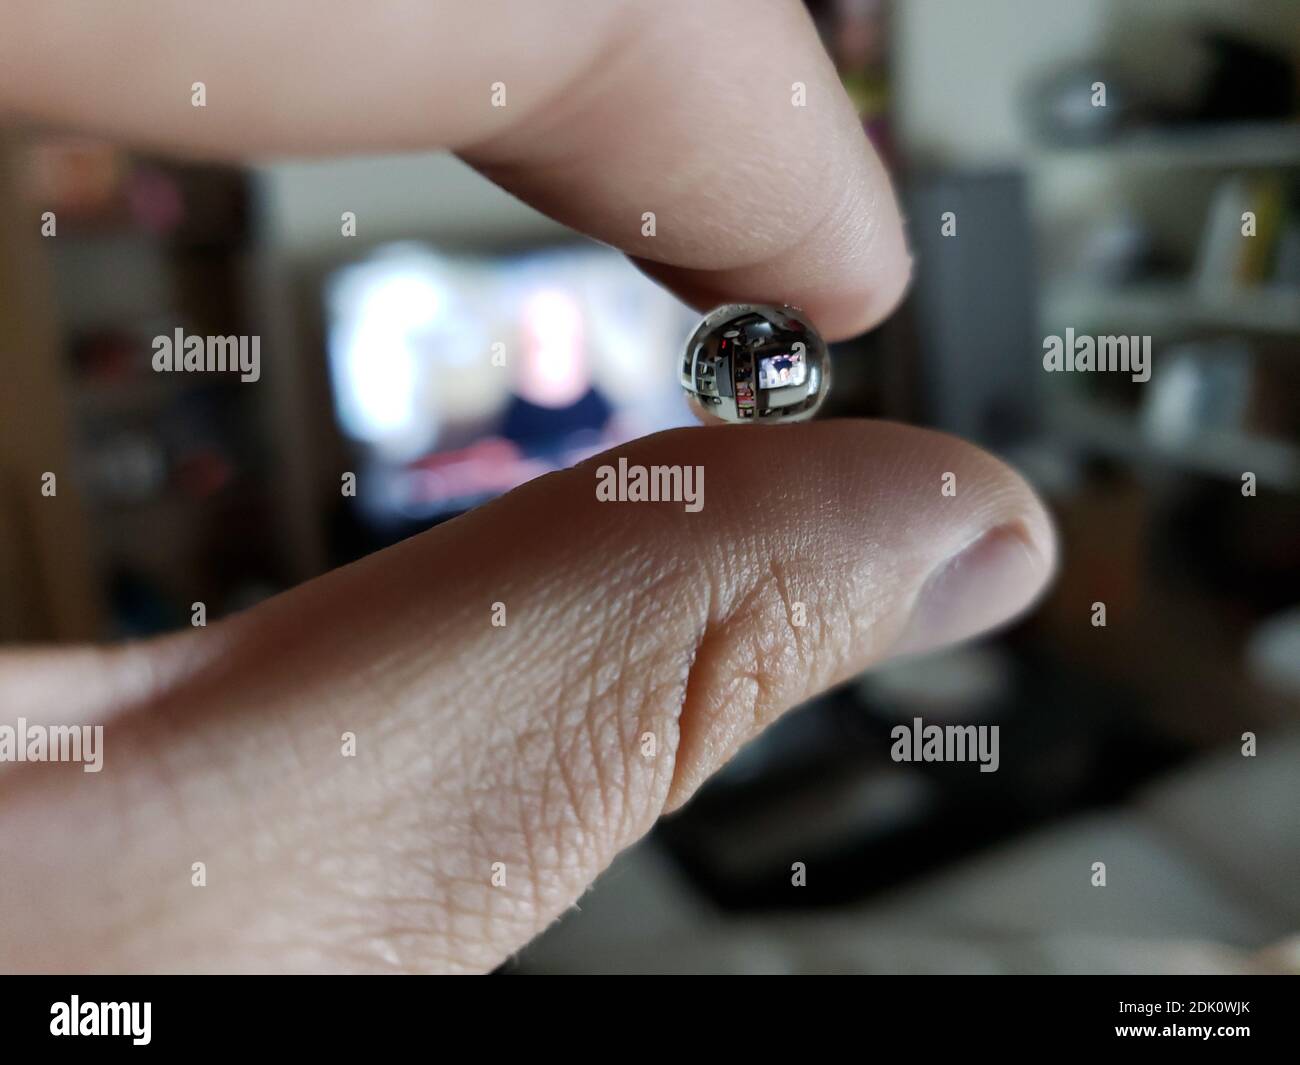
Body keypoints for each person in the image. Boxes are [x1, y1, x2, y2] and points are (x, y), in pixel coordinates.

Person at [0, 0, 1055, 973]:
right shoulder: (468, 425)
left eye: (559, 326)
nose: (548, 337)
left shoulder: (610, 399)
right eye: (537, 328)